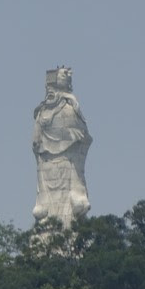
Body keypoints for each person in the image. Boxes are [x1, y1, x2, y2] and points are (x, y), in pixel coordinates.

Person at [32, 67, 92, 227]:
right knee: (44, 209)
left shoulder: (71, 107)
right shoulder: (42, 112)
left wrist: (74, 139)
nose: (68, 76)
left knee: (75, 205)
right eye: (64, 74)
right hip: (47, 165)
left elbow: (84, 138)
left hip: (69, 163)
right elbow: (35, 143)